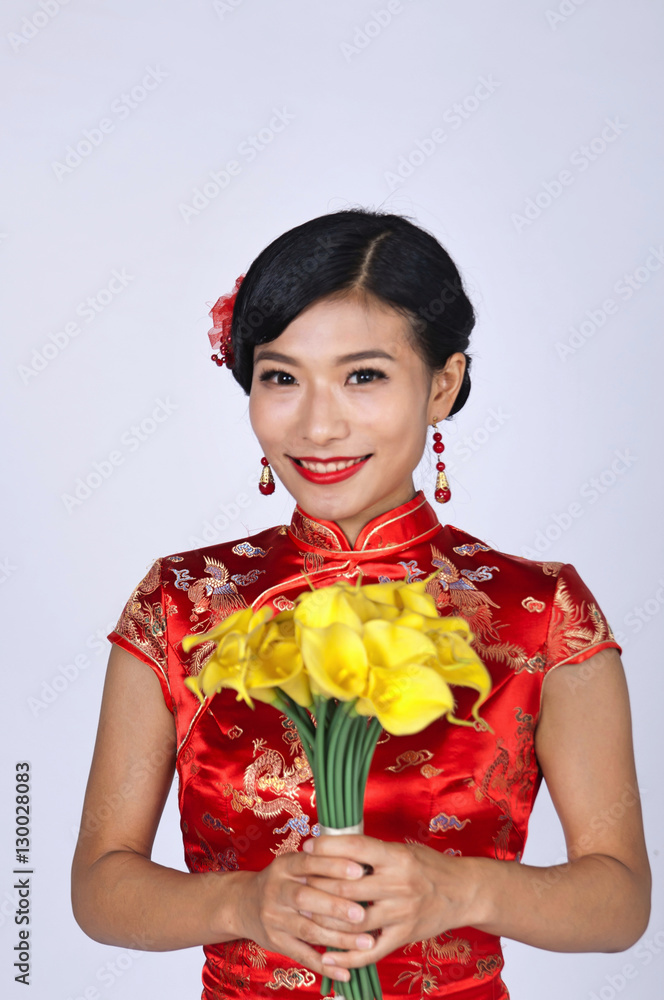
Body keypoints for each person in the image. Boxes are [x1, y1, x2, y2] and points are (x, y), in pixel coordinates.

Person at [71, 208, 651, 1000]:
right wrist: (241, 902)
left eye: (364, 375)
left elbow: (619, 902)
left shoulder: (538, 609)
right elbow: (100, 889)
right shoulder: (182, 602)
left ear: (442, 384)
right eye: (281, 376)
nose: (317, 422)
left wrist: (459, 890)